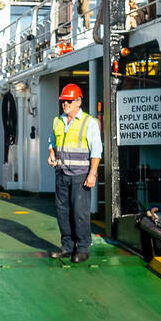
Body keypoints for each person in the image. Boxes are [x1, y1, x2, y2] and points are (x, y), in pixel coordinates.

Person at [47, 83, 102, 262]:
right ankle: (67, 247)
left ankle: (83, 248)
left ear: (79, 101)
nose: (65, 104)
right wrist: (51, 154)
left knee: (80, 212)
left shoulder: (89, 122)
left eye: (69, 101)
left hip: (80, 175)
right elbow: (53, 142)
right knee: (62, 211)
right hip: (61, 174)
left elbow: (96, 150)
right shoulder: (58, 121)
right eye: (63, 101)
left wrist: (92, 173)